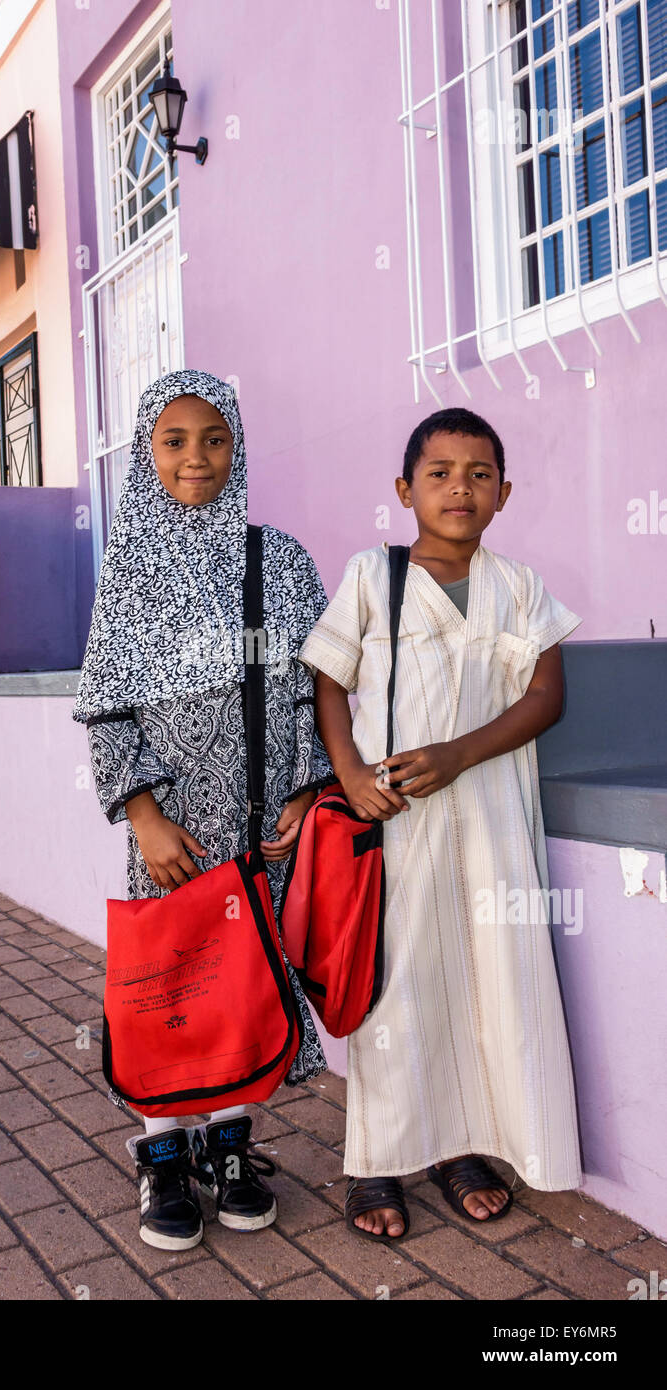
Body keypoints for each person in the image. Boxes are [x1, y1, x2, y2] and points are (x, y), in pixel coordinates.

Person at [298, 406, 583, 1243]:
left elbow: (545, 697)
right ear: (405, 489)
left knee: (491, 981)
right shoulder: (371, 576)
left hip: (493, 819)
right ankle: (376, 1162)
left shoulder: (520, 586)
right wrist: (349, 775)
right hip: (398, 822)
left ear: (504, 493)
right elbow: (328, 683)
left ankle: (462, 1148)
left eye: (480, 474)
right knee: (401, 985)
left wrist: (459, 756)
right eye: (440, 472)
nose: (460, 486)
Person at [71, 368, 334, 1251]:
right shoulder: (132, 573)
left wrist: (308, 785)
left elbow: (316, 690)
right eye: (174, 441)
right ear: (147, 455)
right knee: (165, 988)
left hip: (262, 819)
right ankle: (160, 1159)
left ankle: (228, 1145)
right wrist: (141, 815)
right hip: (172, 829)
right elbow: (107, 704)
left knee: (245, 984)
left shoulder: (281, 560)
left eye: (214, 439)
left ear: (239, 449)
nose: (197, 458)